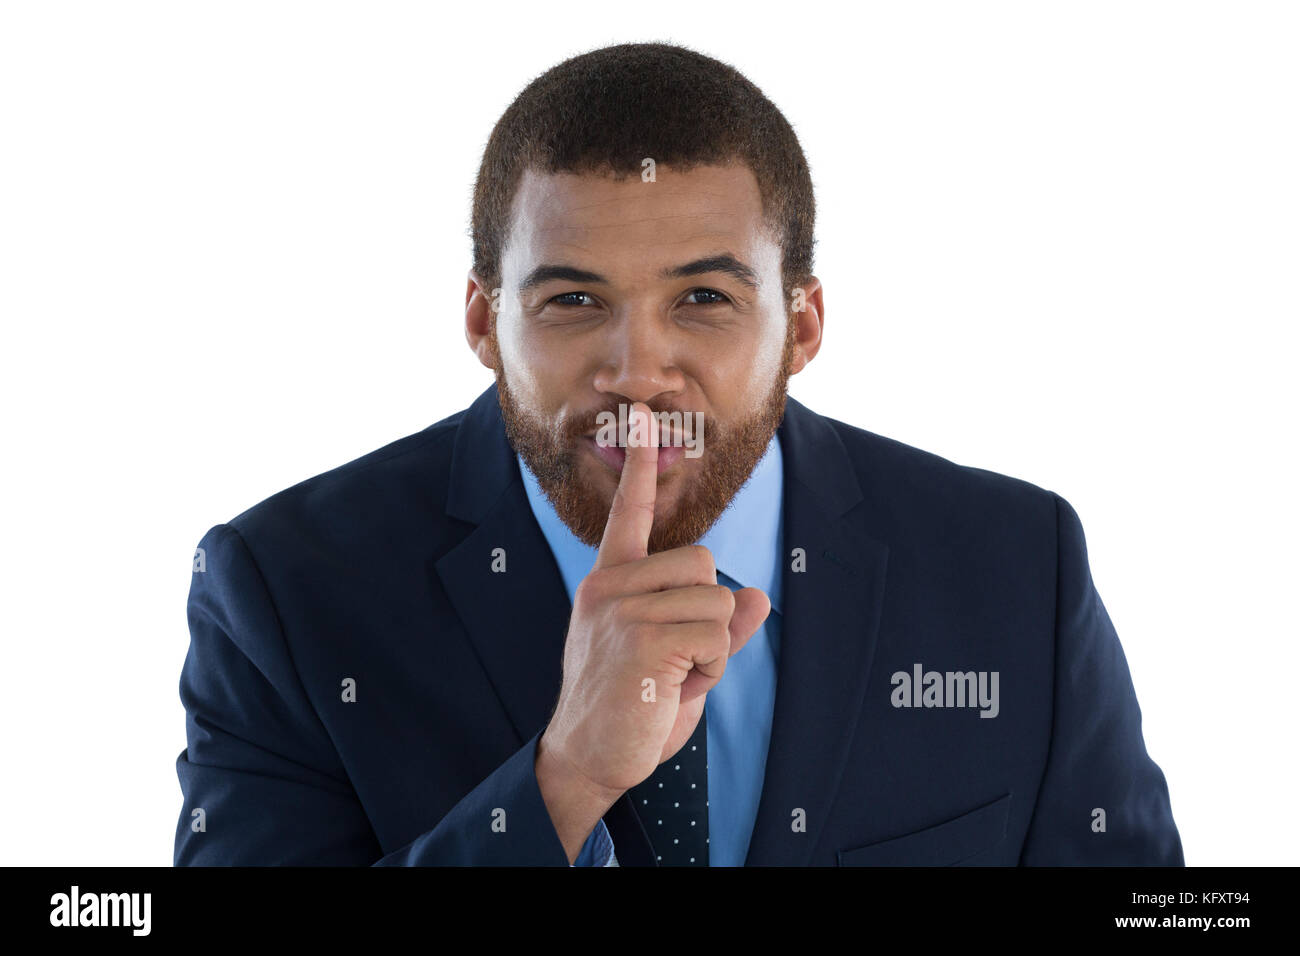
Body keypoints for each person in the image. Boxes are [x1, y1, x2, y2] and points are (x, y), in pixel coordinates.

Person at [174, 42, 1182, 866]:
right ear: (483, 323)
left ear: (803, 322)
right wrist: (560, 782)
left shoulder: (1014, 563)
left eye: (703, 299)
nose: (639, 371)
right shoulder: (284, 591)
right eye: (573, 300)